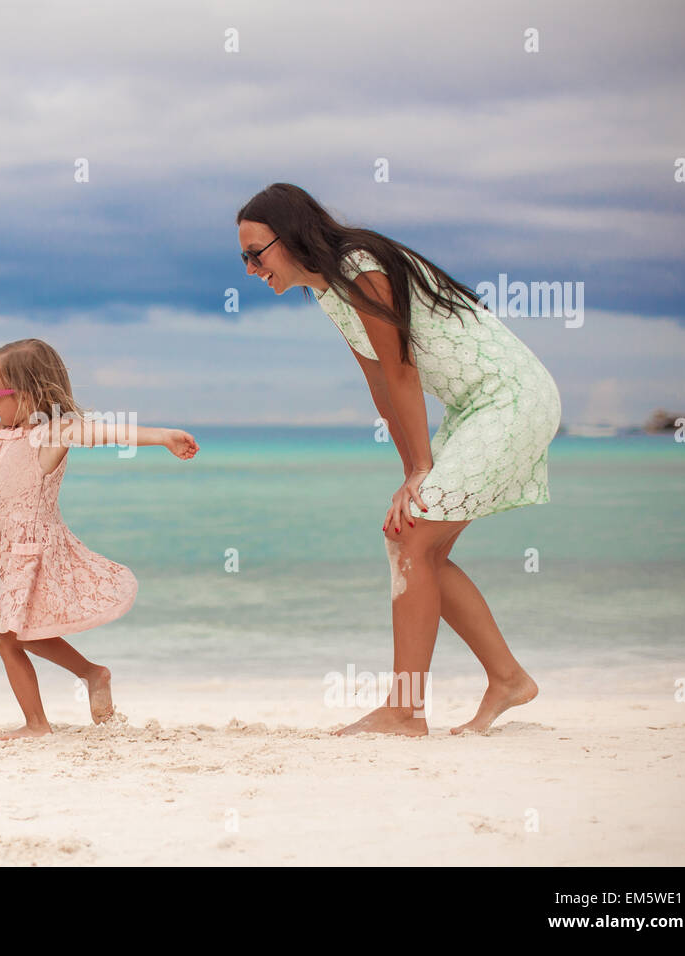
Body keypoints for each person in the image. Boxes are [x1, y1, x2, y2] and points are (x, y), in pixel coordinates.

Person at [236, 183, 562, 736]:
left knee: (413, 537)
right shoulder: (327, 293)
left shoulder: (361, 266)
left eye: (255, 253)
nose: (249, 268)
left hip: (511, 399)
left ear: (289, 237)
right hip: (473, 406)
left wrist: (420, 470)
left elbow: (403, 368)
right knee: (411, 536)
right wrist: (410, 472)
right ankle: (507, 679)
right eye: (244, 257)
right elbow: (381, 387)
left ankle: (406, 711)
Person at [0, 338, 199, 740]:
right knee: (22, 633)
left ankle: (37, 724)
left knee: (7, 638)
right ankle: (92, 675)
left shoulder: (54, 434)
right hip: (7, 548)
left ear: (28, 393)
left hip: (32, 549)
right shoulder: (5, 433)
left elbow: (108, 432)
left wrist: (164, 436)